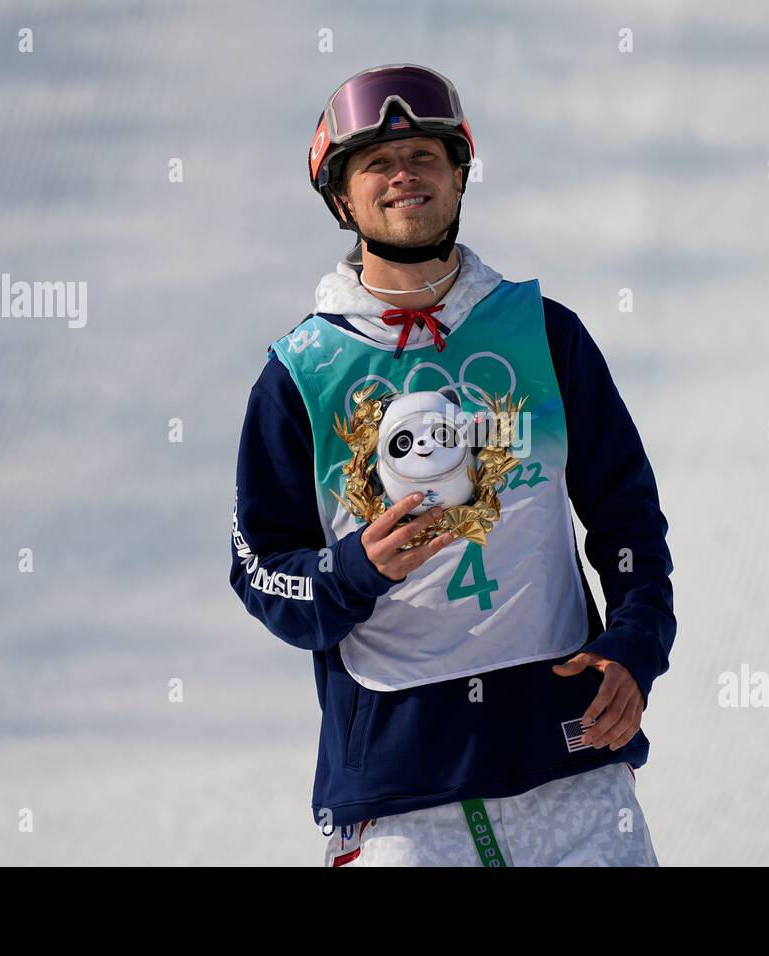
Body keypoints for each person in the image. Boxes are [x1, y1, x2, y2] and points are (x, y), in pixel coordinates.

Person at [230, 63, 676, 866]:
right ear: (341, 200)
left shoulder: (545, 333)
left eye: (425, 157)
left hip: (573, 771)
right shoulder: (300, 375)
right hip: (402, 801)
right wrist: (353, 570)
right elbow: (261, 571)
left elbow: (627, 516)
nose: (405, 175)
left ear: (460, 175)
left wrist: (635, 644)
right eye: (377, 163)